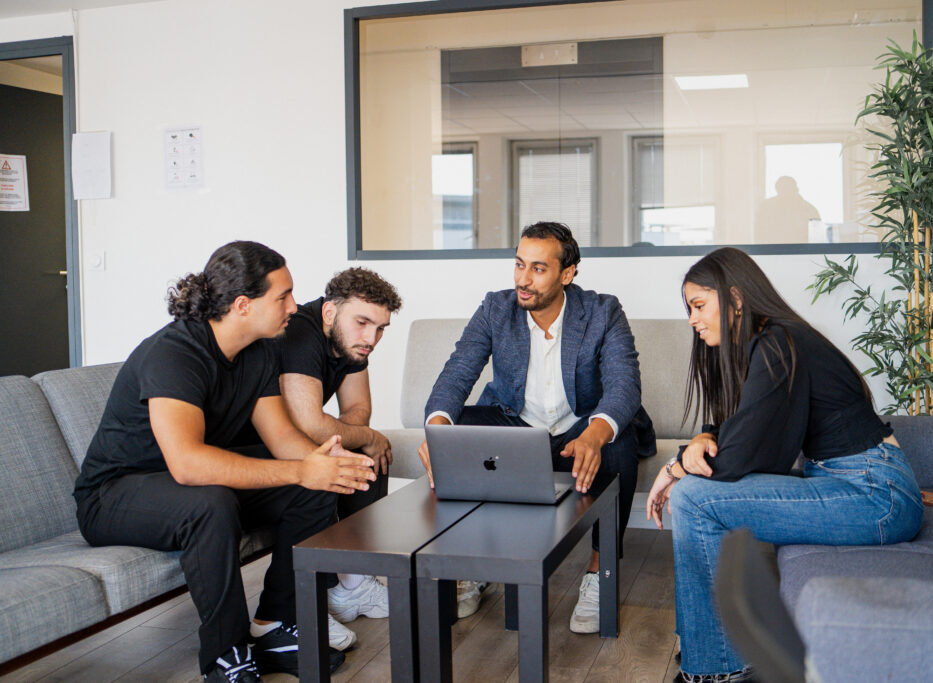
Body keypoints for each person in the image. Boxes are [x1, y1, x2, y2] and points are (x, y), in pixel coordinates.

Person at [73, 241, 376, 683]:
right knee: (210, 502)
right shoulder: (174, 353)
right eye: (283, 296)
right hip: (116, 493)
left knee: (314, 484)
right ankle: (226, 653)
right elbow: (188, 465)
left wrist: (324, 465)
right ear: (242, 305)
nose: (295, 306)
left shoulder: (257, 351)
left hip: (187, 479)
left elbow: (281, 438)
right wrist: (301, 468)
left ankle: (273, 624)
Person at [645, 247, 923, 682]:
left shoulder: (779, 341)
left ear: (735, 299)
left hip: (875, 495)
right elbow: (742, 429)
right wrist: (703, 438)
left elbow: (742, 454)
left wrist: (675, 467)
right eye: (689, 309)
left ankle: (718, 669)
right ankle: (714, 653)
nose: (692, 320)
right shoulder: (771, 340)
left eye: (699, 306)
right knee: (697, 497)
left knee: (695, 499)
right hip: (853, 484)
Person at [419, 221, 655, 631]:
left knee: (618, 442)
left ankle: (600, 571)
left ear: (568, 273)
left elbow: (624, 384)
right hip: (517, 425)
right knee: (460, 436)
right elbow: (457, 373)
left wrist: (595, 434)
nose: (523, 280)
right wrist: (438, 428)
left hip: (578, 426)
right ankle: (478, 565)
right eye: (518, 265)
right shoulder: (496, 308)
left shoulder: (602, 311)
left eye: (538, 269)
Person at [276, 267, 402, 643]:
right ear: (330, 313)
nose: (372, 339)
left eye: (380, 328)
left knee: (372, 457)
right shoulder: (301, 333)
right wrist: (362, 436)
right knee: (362, 448)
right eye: (363, 323)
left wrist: (359, 437)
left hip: (307, 442)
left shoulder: (353, 344)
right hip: (265, 445)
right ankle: (318, 596)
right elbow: (310, 424)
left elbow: (359, 407)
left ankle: (352, 583)